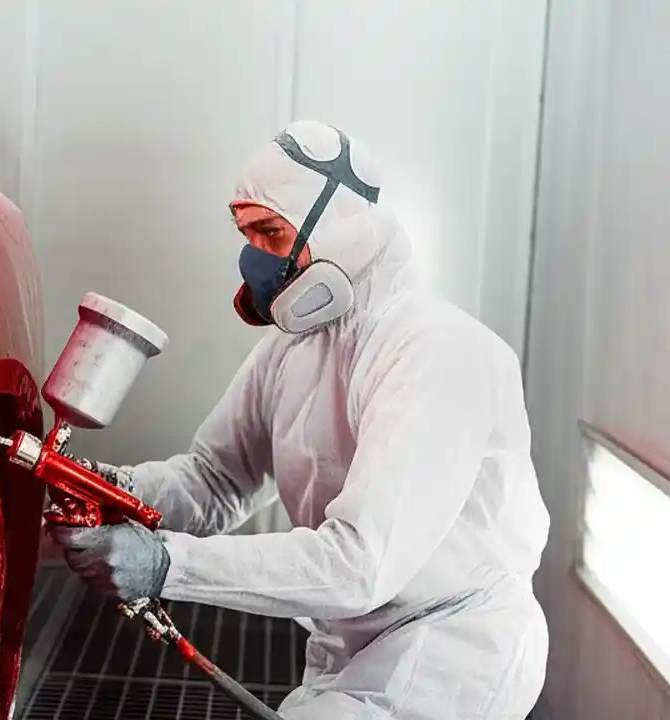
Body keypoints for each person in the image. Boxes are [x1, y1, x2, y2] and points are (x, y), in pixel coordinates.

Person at [51, 120, 550, 719]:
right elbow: (214, 480)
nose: (254, 261)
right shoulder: (291, 348)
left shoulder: (440, 353)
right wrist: (106, 486)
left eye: (271, 233)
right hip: (347, 642)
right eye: (245, 237)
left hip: (451, 652)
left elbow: (359, 563)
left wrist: (164, 564)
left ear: (339, 229)